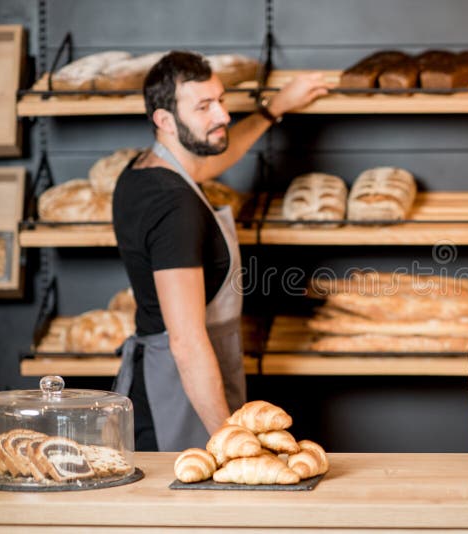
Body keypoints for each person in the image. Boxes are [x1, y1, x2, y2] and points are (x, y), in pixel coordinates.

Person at [112, 51, 328, 451]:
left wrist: (274, 108)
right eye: (203, 106)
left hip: (162, 379)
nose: (223, 116)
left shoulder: (142, 172)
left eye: (222, 100)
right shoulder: (174, 206)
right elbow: (187, 342)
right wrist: (232, 442)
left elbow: (211, 159)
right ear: (165, 121)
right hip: (177, 398)